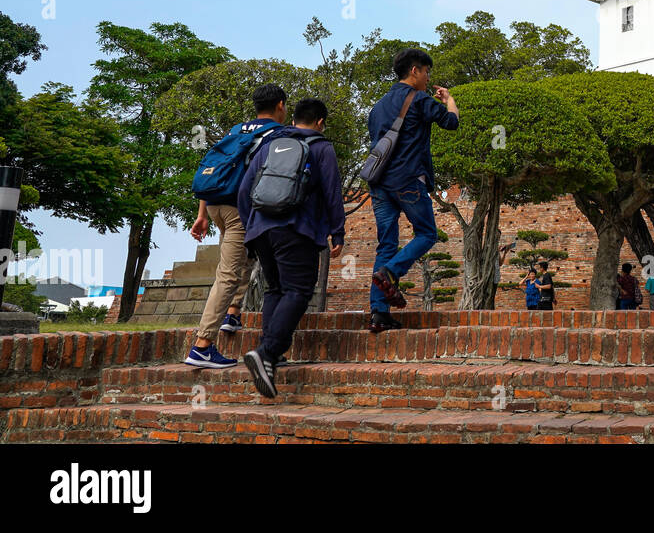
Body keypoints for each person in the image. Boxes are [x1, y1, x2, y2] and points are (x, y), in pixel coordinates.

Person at [237, 98, 345, 399]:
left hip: (261, 229)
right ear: (320, 122)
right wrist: (338, 232)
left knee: (275, 289)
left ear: (294, 118)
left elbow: (246, 189)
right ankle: (267, 352)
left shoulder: (269, 144)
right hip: (296, 229)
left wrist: (252, 225)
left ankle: (270, 355)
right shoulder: (321, 147)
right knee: (298, 291)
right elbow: (332, 192)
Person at [184, 83, 286, 370]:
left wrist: (202, 213)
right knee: (228, 274)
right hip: (239, 209)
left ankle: (232, 313)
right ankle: (202, 345)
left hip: (216, 204)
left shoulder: (236, 130)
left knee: (242, 259)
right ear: (280, 105)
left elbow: (216, 165)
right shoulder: (276, 135)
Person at [365, 48, 459, 334]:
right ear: (415, 70)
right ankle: (391, 273)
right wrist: (450, 100)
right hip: (408, 180)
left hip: (380, 183)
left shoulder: (377, 106)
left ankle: (379, 312)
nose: (428, 78)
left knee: (386, 244)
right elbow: (451, 123)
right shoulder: (420, 99)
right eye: (427, 72)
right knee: (427, 233)